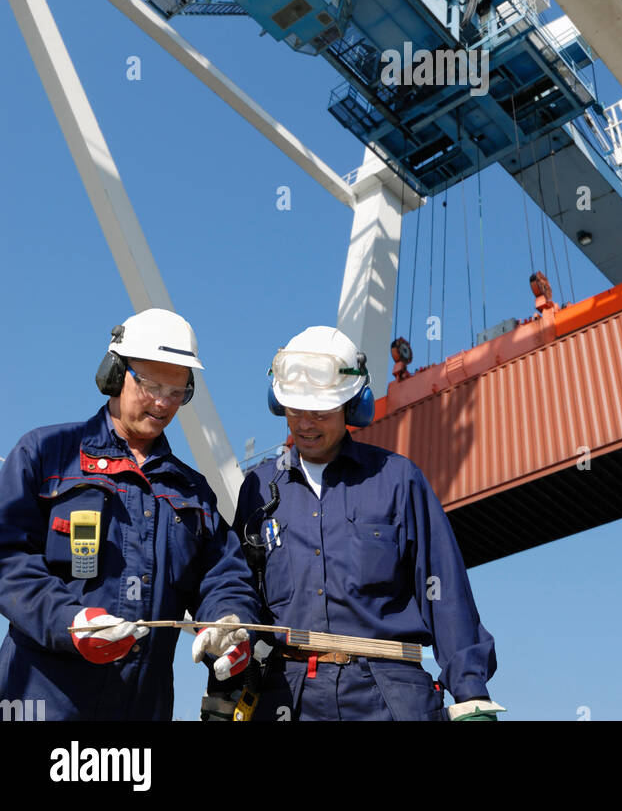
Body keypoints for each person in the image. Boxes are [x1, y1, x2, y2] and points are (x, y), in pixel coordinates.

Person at [226, 325, 502, 722]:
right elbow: (239, 591)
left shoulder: (398, 480)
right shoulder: (258, 489)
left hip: (389, 697)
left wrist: (471, 693)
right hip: (289, 696)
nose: (304, 423)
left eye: (320, 411)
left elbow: (445, 591)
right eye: (294, 410)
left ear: (351, 406)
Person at [0, 308, 260, 721]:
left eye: (178, 392)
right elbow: (7, 559)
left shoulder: (191, 491)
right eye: (152, 385)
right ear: (114, 374)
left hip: (140, 709)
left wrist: (229, 622)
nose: (163, 403)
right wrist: (69, 620)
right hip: (40, 703)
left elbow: (223, 575)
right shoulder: (44, 455)